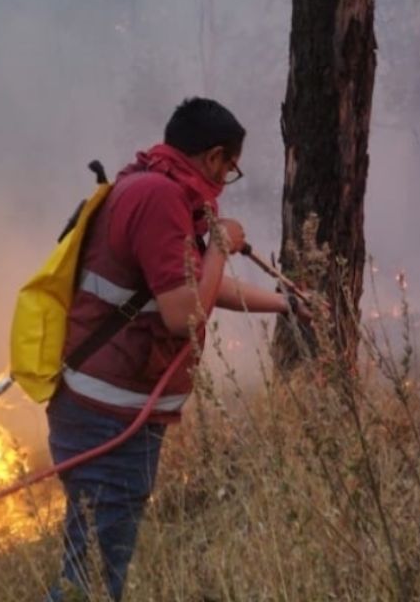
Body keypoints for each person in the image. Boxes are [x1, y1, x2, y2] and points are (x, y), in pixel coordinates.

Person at [44, 97, 309, 601]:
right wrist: (219, 247)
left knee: (94, 570)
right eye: (229, 169)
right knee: (93, 582)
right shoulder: (159, 200)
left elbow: (193, 290)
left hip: (116, 414)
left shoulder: (158, 190)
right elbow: (184, 313)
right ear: (213, 157)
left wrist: (285, 304)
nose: (225, 182)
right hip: (108, 419)